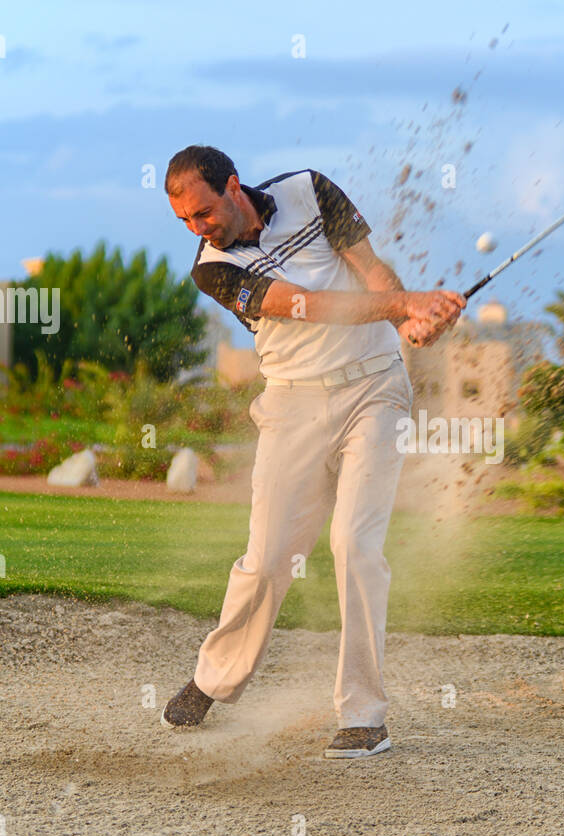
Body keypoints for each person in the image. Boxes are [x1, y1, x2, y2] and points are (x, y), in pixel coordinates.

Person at [160, 145, 464, 758]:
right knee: (268, 558)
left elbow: (371, 270)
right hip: (293, 404)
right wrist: (405, 305)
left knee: (355, 543)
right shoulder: (212, 269)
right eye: (185, 223)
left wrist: (413, 321)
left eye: (202, 213)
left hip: (376, 387)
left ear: (233, 186)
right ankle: (215, 677)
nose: (198, 230)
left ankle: (365, 714)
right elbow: (307, 307)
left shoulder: (309, 189)